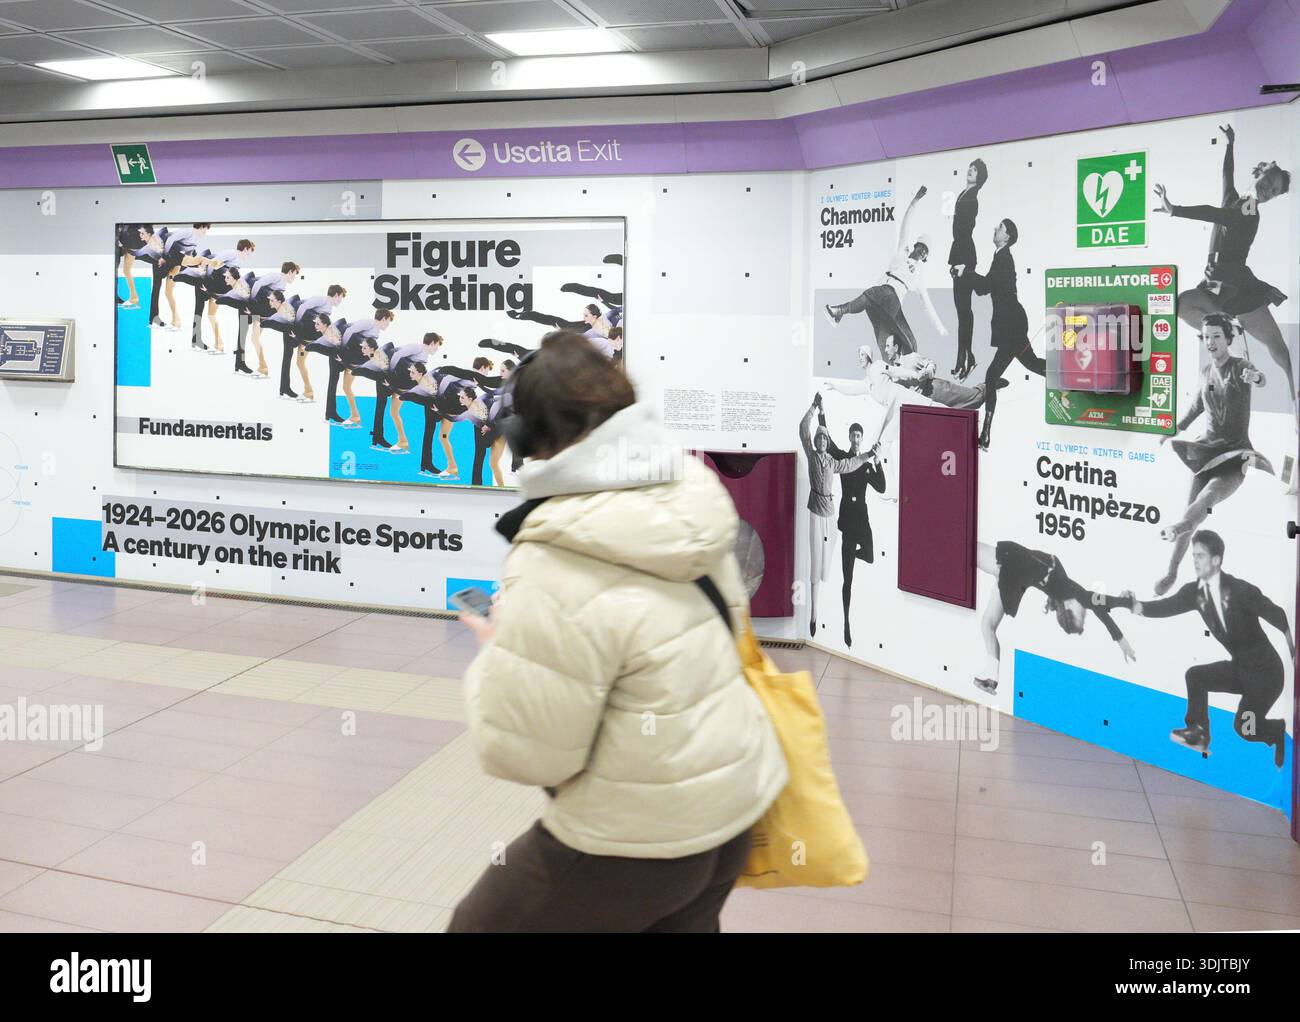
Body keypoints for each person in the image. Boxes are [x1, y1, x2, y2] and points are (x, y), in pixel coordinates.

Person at [449, 331, 787, 933]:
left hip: (637, 837)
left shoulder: (555, 551)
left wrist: (495, 655)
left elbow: (527, 751)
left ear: (525, 438)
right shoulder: (690, 497)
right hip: (733, 815)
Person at [1153, 124, 1294, 427]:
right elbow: (1226, 175)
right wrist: (1231, 143)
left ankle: (1294, 400)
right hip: (1214, 283)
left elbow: (1216, 214)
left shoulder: (1249, 210)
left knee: (1278, 346)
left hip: (1238, 287)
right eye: (1268, 181)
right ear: (1262, 170)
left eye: (1273, 192)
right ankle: (1227, 340)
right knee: (1182, 304)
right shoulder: (1235, 196)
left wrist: (1175, 209)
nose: (1267, 191)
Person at [1128, 530, 1291, 767]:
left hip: (1266, 675)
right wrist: (1136, 606)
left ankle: (1277, 731)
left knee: (1244, 729)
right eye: (1193, 555)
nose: (1194, 560)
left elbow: (1279, 616)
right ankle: (1199, 732)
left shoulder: (1240, 590)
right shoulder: (1194, 593)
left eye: (1200, 555)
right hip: (1240, 669)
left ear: (1216, 560)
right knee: (1196, 676)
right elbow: (1165, 607)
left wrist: (1294, 650)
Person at [1154, 312, 1271, 595]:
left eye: (1216, 336)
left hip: (1235, 454)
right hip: (1206, 451)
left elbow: (1259, 378)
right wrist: (1176, 428)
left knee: (1207, 498)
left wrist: (1255, 376)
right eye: (1206, 337)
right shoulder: (1206, 372)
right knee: (1192, 503)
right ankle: (1171, 571)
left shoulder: (1240, 365)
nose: (1210, 342)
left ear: (1228, 337)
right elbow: (1197, 405)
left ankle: (1179, 526)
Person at [974, 540, 1136, 695]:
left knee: (968, 548)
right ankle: (991, 674)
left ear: (1069, 610)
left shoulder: (1071, 593)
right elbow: (1101, 606)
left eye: (1082, 616)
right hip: (1015, 578)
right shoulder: (1065, 592)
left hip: (1012, 562)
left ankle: (991, 672)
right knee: (987, 625)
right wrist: (1124, 611)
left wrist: (1124, 608)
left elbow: (1101, 605)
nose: (1085, 611)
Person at [823, 185, 947, 357]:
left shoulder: (919, 273)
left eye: (926, 251)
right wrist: (915, 201)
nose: (922, 251)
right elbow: (906, 223)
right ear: (915, 245)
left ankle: (840, 311)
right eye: (921, 246)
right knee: (885, 339)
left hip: (892, 298)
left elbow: (927, 305)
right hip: (882, 296)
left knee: (908, 341)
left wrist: (940, 328)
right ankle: (839, 312)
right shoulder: (902, 250)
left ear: (926, 258)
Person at [799, 393, 874, 637]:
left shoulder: (832, 461)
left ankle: (823, 576)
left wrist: (868, 455)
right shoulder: (811, 455)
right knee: (815, 562)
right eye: (819, 438)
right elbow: (803, 428)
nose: (821, 441)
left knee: (829, 558)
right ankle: (813, 614)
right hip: (815, 510)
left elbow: (851, 464)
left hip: (831, 513)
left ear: (827, 441)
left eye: (824, 438)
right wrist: (814, 408)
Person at [967, 218, 1044, 450]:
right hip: (1012, 326)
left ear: (1007, 236)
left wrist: (966, 272)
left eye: (999, 227)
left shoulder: (1004, 258)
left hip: (1012, 326)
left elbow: (983, 287)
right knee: (1032, 365)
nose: (995, 228)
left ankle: (986, 435)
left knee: (992, 376)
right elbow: (985, 287)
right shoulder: (1000, 256)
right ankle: (1068, 376)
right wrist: (968, 274)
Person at [825, 422, 885, 648]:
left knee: (869, 555)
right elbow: (828, 443)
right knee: (847, 579)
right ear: (850, 437)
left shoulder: (867, 465)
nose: (857, 438)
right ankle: (846, 623)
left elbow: (881, 487)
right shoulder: (844, 459)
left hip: (863, 520)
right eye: (854, 434)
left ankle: (853, 556)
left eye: (859, 435)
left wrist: (878, 461)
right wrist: (822, 415)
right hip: (848, 521)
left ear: (861, 438)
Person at [949, 159, 988, 379]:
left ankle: (965, 360)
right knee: (961, 313)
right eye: (970, 168)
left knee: (964, 313)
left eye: (974, 170)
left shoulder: (972, 198)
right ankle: (964, 358)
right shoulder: (965, 193)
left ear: (980, 176)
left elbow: (965, 231)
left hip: (965, 256)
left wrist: (962, 263)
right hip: (959, 254)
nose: (970, 171)